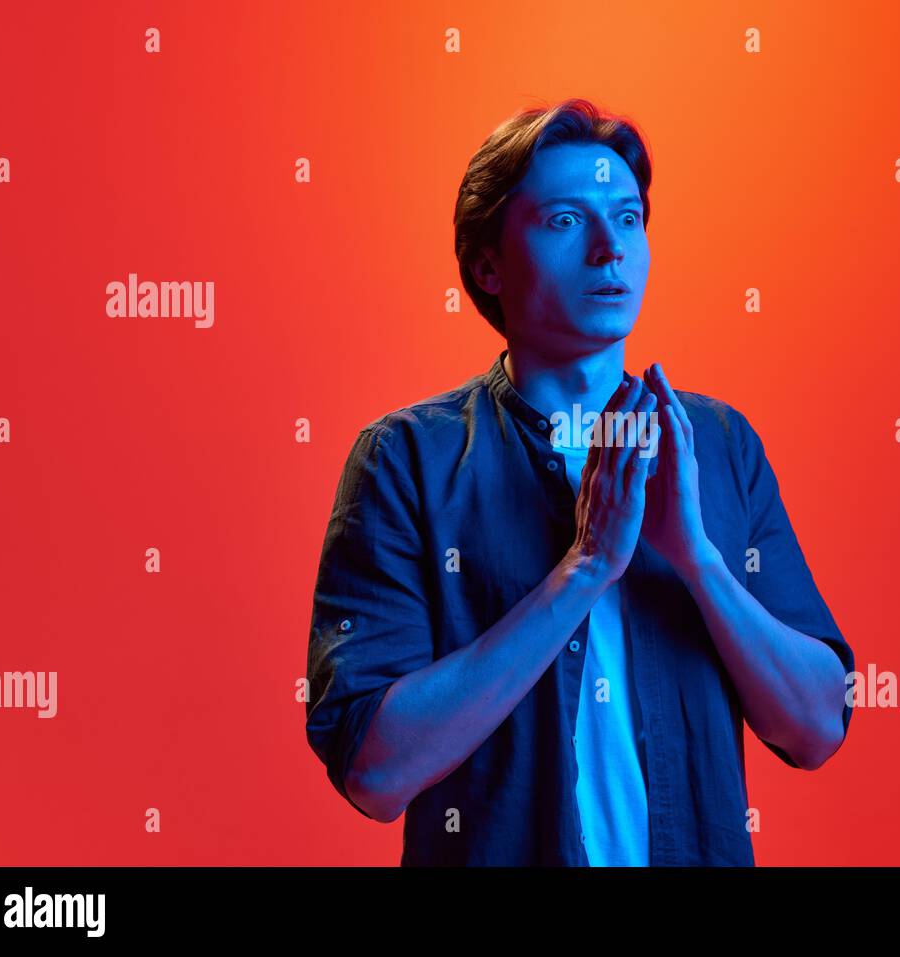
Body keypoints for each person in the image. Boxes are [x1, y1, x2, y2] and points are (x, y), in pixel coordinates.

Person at [305, 98, 854, 866]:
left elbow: (818, 726)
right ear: (488, 264)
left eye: (628, 220)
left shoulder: (719, 446)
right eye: (565, 221)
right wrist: (584, 568)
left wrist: (696, 559)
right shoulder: (405, 462)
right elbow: (375, 770)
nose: (610, 251)